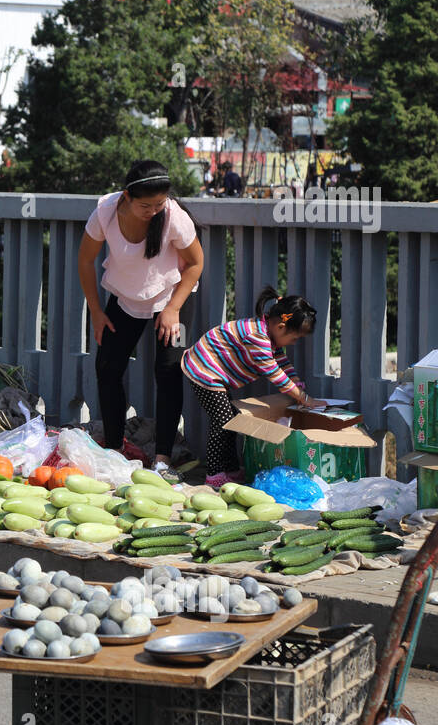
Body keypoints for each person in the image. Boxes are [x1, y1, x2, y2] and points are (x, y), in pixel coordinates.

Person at [79, 161, 205, 480]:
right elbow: (85, 259)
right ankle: (115, 449)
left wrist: (173, 308)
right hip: (124, 296)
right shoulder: (106, 212)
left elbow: (195, 263)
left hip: (173, 296)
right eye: (145, 205)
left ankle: (162, 458)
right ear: (126, 197)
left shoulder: (174, 217)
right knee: (107, 367)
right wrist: (95, 310)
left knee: (168, 370)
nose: (153, 211)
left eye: (159, 204)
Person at [181, 286, 324, 488]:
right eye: (295, 338)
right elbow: (276, 375)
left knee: (232, 419)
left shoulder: (270, 334)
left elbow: (282, 363)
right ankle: (213, 474)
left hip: (215, 370)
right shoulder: (258, 339)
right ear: (281, 327)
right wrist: (304, 399)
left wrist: (297, 384)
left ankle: (230, 469)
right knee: (223, 420)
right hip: (204, 370)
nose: (294, 342)